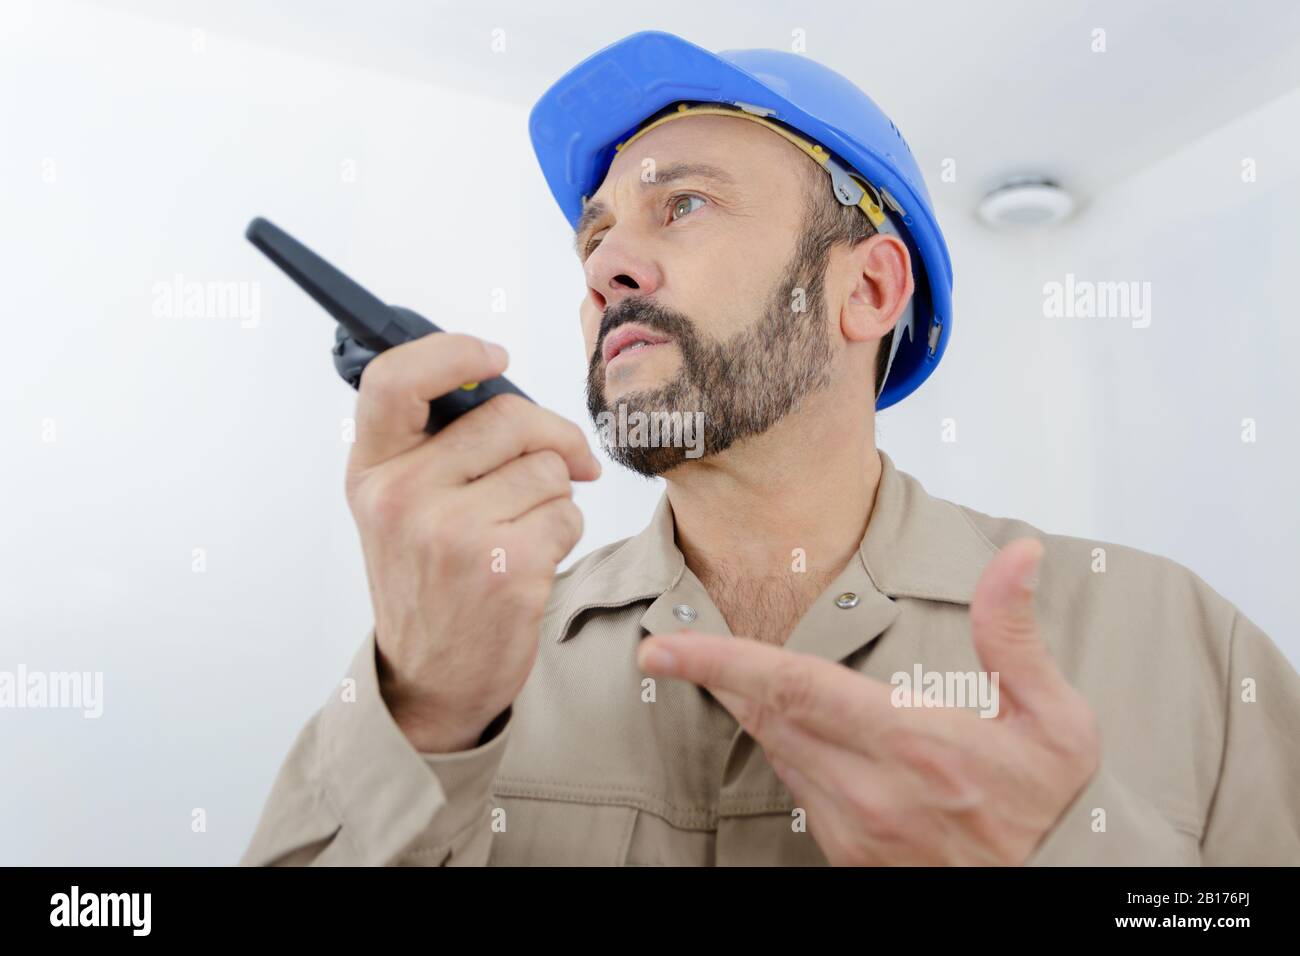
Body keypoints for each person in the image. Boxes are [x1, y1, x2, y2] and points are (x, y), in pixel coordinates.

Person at [242, 31, 1299, 866]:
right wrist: (422, 708)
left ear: (868, 288)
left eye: (682, 203)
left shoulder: (1180, 645)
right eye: (593, 236)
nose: (607, 265)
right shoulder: (468, 663)